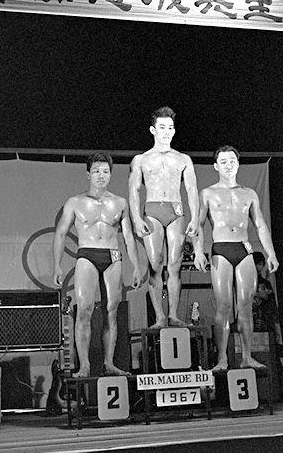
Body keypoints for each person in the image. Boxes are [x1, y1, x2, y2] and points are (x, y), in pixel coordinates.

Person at [53, 152, 142, 378]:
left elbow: (129, 237)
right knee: (84, 309)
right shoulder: (75, 202)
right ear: (88, 174)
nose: (100, 176)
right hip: (87, 254)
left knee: (111, 311)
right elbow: (61, 234)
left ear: (111, 174)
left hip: (112, 256)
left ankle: (109, 362)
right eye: (96, 171)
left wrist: (137, 266)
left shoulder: (120, 203)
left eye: (105, 171)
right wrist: (57, 265)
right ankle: (84, 365)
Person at [193, 145, 279, 371]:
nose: (228, 165)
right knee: (223, 306)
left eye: (232, 160)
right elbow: (198, 225)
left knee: (246, 305)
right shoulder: (208, 193)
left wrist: (271, 253)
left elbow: (260, 224)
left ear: (238, 164)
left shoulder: (249, 193)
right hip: (221, 249)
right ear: (216, 166)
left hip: (244, 249)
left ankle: (247, 356)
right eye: (223, 161)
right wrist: (198, 251)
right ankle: (222, 359)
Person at [129, 106, 199, 328]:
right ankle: (159, 316)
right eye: (162, 127)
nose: (166, 131)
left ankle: (173, 315)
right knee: (155, 263)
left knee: (175, 264)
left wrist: (195, 218)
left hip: (176, 210)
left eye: (170, 127)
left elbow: (192, 190)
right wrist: (136, 219)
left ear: (174, 130)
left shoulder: (183, 159)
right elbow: (134, 191)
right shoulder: (141, 159)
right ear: (153, 130)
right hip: (152, 210)